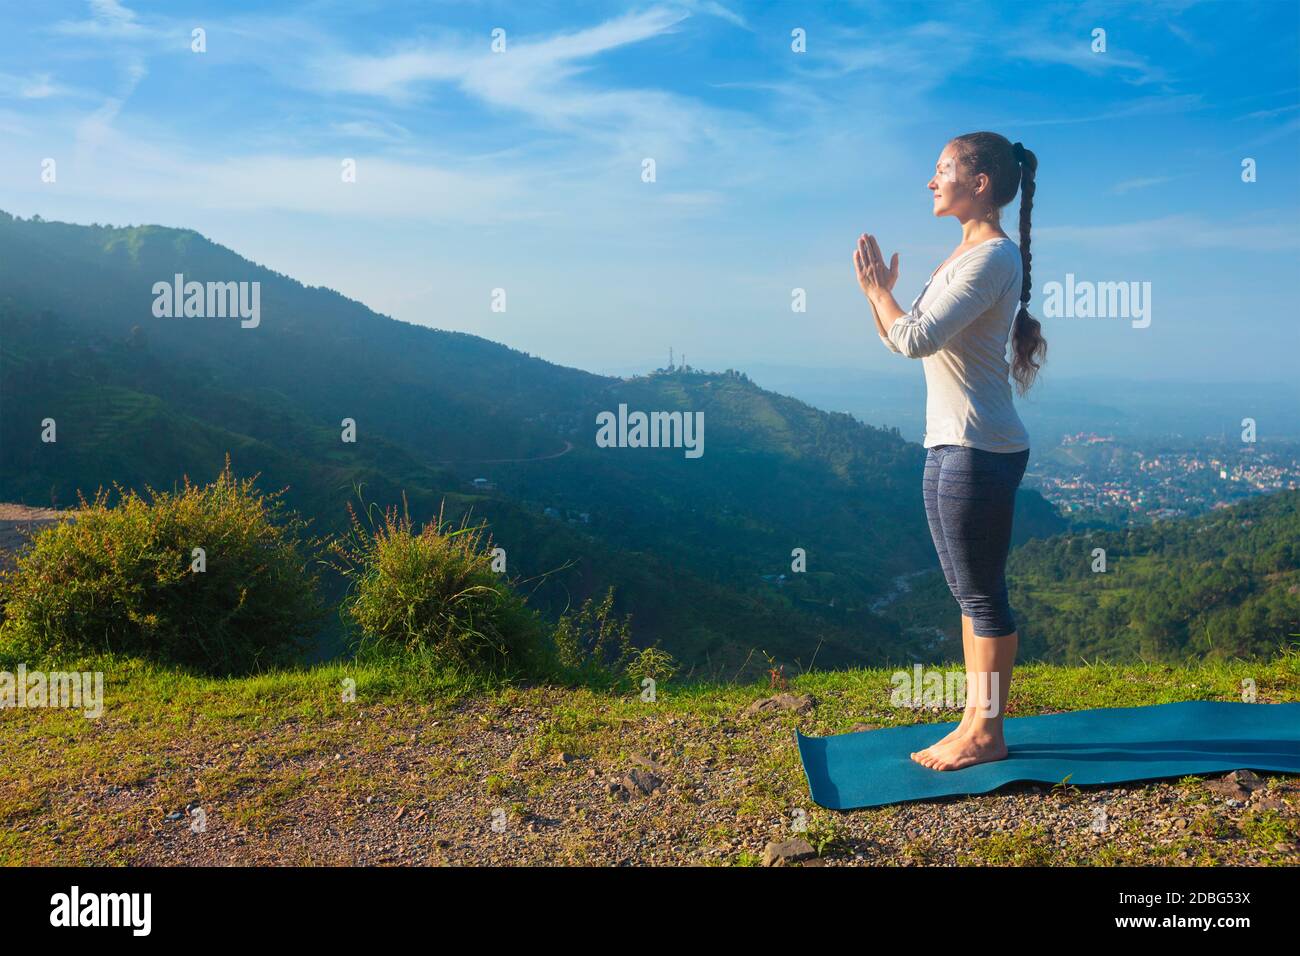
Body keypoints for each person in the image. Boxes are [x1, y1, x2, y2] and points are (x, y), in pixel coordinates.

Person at [853, 131, 1047, 771]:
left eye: (942, 170)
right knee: (968, 592)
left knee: (984, 593)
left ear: (981, 182)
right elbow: (906, 341)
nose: (931, 182)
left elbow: (912, 338)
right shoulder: (961, 256)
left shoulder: (991, 258)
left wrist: (882, 293)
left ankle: (988, 733)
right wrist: (878, 299)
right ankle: (973, 721)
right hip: (949, 442)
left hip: (981, 447)